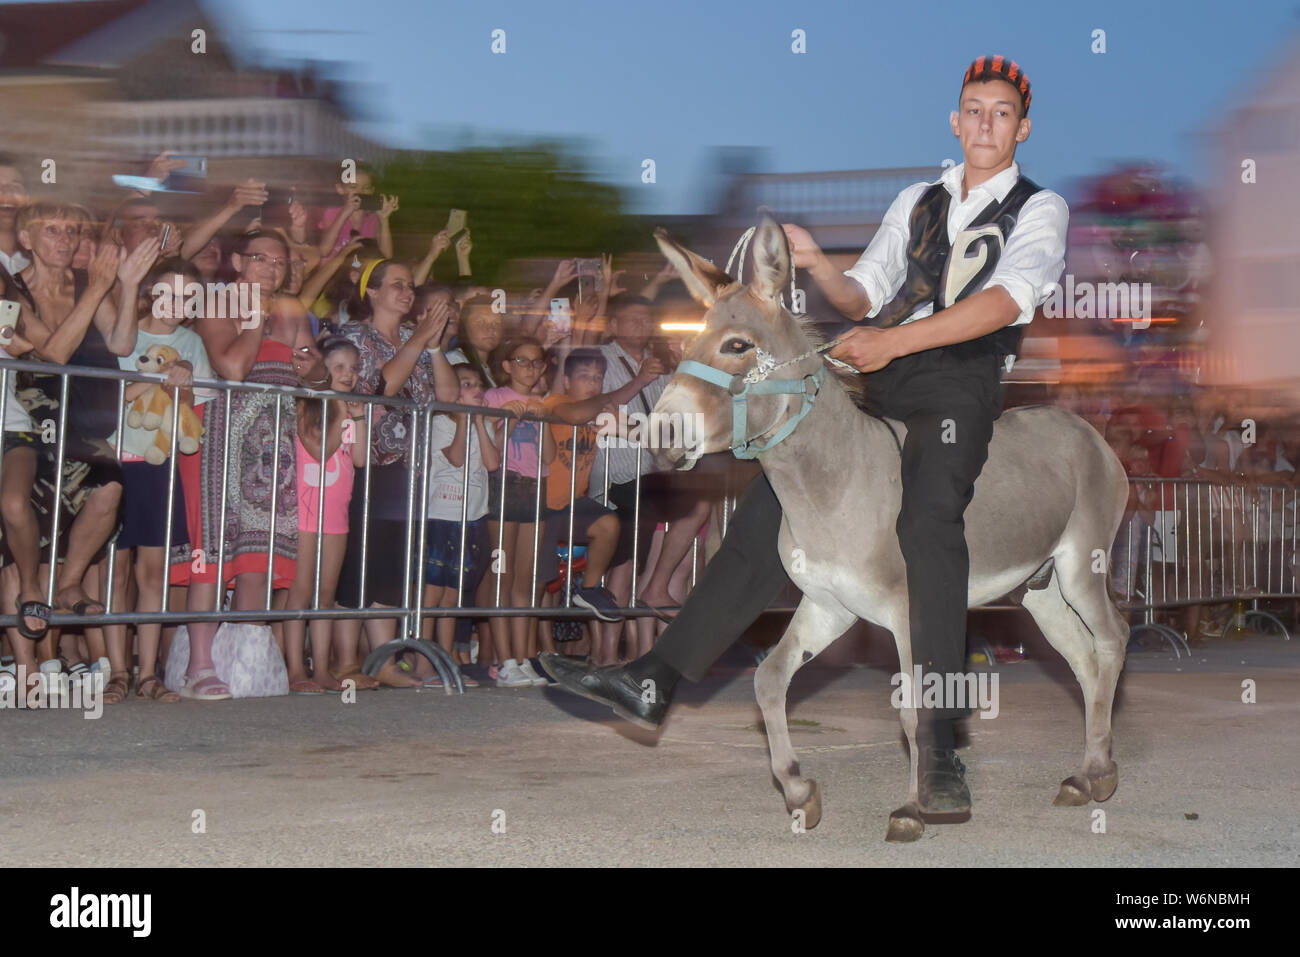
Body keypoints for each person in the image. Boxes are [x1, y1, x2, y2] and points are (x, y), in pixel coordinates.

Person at [542, 55, 1069, 822]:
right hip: (881, 375)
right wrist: (823, 264)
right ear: (954, 120)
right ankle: (653, 677)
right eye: (972, 109)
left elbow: (1004, 301)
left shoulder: (1040, 207)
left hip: (958, 385)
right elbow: (867, 292)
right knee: (771, 509)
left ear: (1022, 127)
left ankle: (943, 740)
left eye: (1000, 112)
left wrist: (896, 343)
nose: (985, 123)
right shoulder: (917, 197)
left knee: (930, 521)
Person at [334, 258, 458, 687]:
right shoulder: (354, 335)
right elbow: (378, 389)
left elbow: (447, 395)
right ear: (371, 291)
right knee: (360, 562)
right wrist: (421, 337)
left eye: (411, 286)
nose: (408, 292)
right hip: (367, 462)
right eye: (397, 285)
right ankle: (347, 660)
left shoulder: (413, 337)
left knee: (392, 567)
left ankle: (381, 660)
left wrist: (434, 345)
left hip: (410, 467)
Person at [111, 257, 213, 702]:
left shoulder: (191, 341)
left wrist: (185, 382)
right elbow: (102, 395)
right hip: (114, 458)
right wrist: (148, 377)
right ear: (151, 290)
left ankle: (148, 673)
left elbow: (199, 402)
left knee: (153, 573)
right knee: (114, 570)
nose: (178, 303)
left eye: (189, 296)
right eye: (170, 292)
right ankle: (116, 670)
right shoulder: (122, 329)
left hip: (158, 463)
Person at [283, 336, 365, 694]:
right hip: (305, 511)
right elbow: (320, 450)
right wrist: (340, 412)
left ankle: (321, 668)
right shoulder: (308, 402)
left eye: (354, 368)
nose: (349, 375)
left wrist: (358, 415)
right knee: (301, 590)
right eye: (339, 367)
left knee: (325, 594)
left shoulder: (349, 407)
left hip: (336, 512)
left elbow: (359, 459)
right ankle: (295, 669)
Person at [418, 361, 500, 688]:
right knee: (432, 592)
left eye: (478, 384)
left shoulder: (485, 424)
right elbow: (456, 457)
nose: (476, 390)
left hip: (471, 516)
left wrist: (480, 422)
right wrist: (465, 418)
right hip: (442, 515)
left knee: (453, 594)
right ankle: (423, 660)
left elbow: (492, 463)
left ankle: (447, 655)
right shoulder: (441, 421)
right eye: (466, 384)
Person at [483, 336, 556, 687]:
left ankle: (523, 658)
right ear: (507, 365)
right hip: (503, 486)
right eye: (522, 361)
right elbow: (492, 450)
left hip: (533, 489)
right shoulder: (494, 398)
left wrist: (541, 420)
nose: (530, 368)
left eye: (536, 362)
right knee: (503, 575)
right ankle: (504, 659)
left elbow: (550, 458)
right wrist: (509, 419)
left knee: (525, 580)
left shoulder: (540, 401)